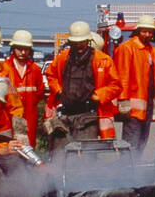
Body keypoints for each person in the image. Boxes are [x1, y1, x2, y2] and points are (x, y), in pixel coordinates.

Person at [43, 21, 121, 150]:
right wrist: (58, 91)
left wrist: (99, 96)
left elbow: (116, 85)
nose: (79, 45)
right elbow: (50, 74)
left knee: (85, 154)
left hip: (89, 116)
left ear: (88, 41)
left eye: (82, 42)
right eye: (75, 42)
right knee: (60, 153)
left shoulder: (103, 60)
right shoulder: (63, 57)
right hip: (65, 114)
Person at [114, 13, 155, 156]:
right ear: (137, 31)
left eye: (150, 31)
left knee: (142, 140)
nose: (147, 34)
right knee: (131, 142)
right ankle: (125, 170)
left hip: (146, 104)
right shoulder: (127, 48)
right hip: (132, 108)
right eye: (144, 31)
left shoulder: (151, 50)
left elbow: (152, 78)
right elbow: (122, 75)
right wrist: (123, 100)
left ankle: (135, 170)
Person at [5, 29, 45, 147]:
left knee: (29, 148)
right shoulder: (4, 68)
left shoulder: (35, 70)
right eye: (19, 48)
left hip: (29, 117)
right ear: (13, 48)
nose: (23, 52)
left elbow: (39, 94)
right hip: (9, 118)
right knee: (10, 149)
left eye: (26, 49)